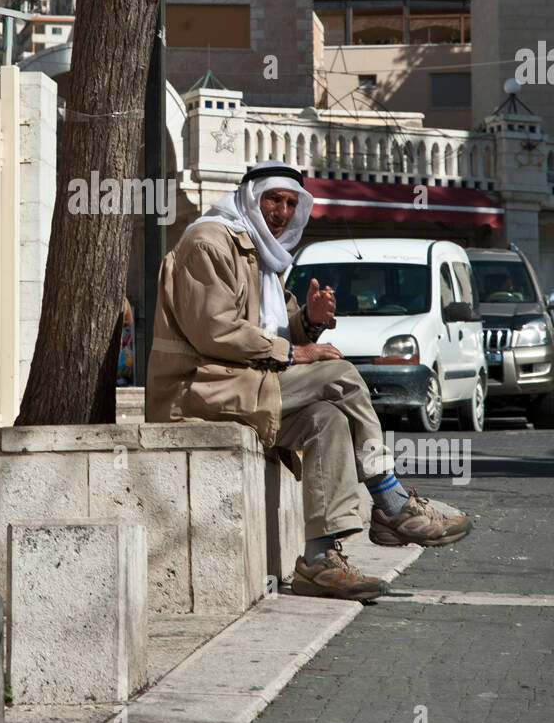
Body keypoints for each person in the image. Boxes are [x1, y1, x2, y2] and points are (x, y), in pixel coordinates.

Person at [146, 161, 472, 601]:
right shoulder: (208, 241)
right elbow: (215, 330)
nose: (281, 211)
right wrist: (295, 351)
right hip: (198, 388)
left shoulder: (261, 252)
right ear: (249, 197)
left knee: (327, 420)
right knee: (340, 375)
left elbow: (273, 329)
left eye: (290, 203)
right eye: (273, 200)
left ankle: (319, 560)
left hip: (241, 383)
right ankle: (390, 499)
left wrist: (308, 323)